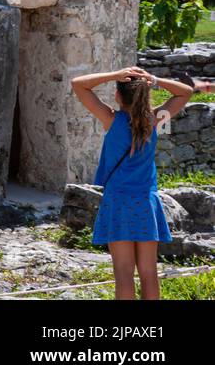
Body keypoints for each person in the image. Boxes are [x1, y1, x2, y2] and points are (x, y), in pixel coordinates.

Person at [70, 67, 192, 300]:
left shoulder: (112, 120)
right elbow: (185, 92)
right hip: (146, 202)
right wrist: (154, 79)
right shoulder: (153, 120)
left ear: (118, 95)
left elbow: (78, 83)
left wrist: (112, 75)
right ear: (145, 95)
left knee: (124, 273)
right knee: (149, 272)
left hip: (118, 202)